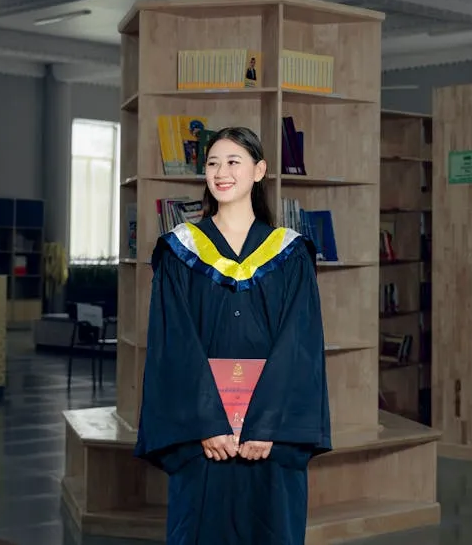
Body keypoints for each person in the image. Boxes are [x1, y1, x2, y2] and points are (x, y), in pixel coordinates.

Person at [134, 126, 332, 544]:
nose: (221, 172)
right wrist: (207, 423)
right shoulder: (180, 251)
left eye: (233, 162)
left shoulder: (291, 252)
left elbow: (300, 344)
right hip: (205, 434)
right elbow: (174, 344)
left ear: (259, 171)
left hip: (269, 435)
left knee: (271, 526)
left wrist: (268, 425)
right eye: (212, 163)